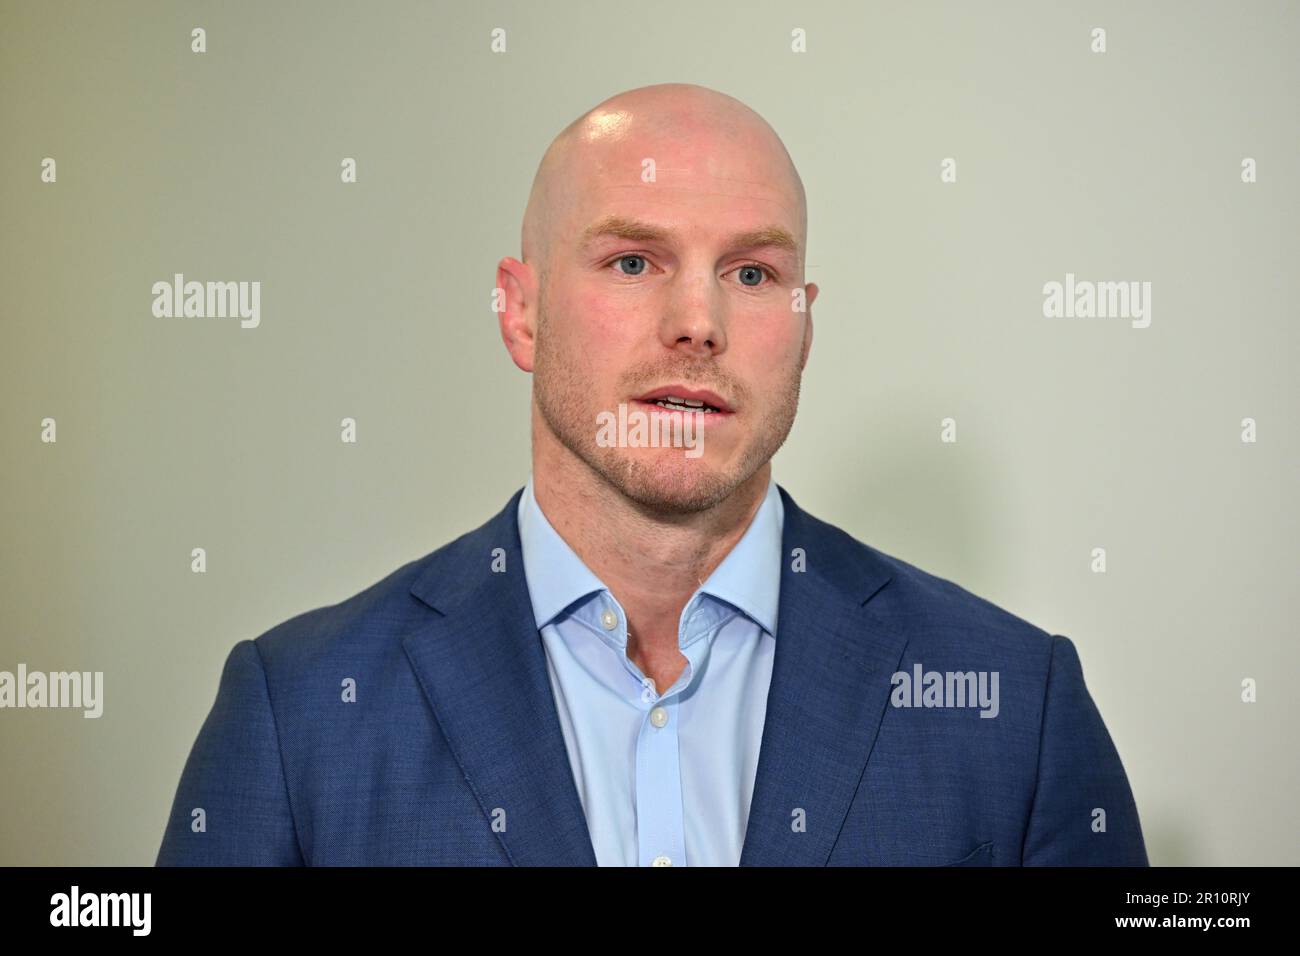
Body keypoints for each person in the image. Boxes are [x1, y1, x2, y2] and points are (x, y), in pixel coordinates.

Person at [156, 82, 1147, 867]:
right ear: (519, 311)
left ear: (802, 326)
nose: (697, 320)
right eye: (633, 261)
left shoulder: (1017, 703)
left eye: (751, 273)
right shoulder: (298, 713)